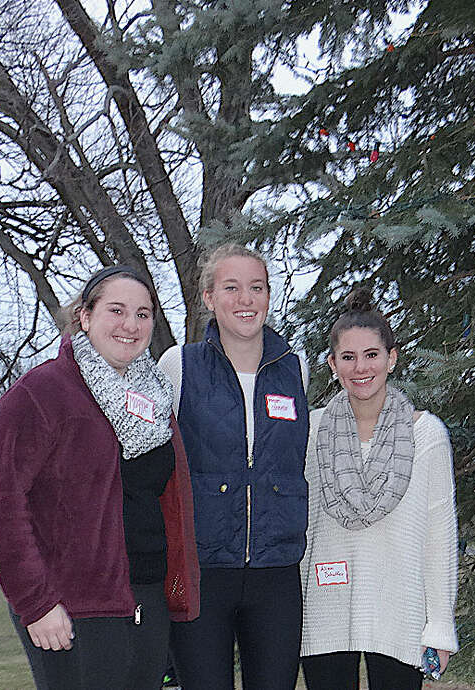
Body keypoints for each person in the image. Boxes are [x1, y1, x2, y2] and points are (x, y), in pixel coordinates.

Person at [0, 265, 200, 690]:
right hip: (72, 602)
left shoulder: (154, 399)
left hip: (146, 597)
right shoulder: (41, 393)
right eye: (117, 310)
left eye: (143, 313)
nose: (131, 325)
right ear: (84, 316)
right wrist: (36, 603)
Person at [159, 244, 309, 689]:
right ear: (209, 297)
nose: (246, 299)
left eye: (256, 288)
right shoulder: (178, 366)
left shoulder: (294, 370)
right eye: (231, 288)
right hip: (203, 571)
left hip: (276, 572)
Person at [299, 289, 458, 690]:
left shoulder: (427, 435)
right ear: (333, 363)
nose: (360, 368)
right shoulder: (310, 430)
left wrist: (440, 625)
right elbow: (299, 523)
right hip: (325, 609)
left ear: (392, 357)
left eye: (371, 354)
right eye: (348, 357)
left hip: (400, 611)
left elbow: (440, 537)